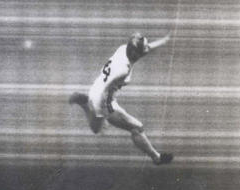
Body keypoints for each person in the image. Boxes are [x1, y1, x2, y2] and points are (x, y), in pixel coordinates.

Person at [67, 33, 174, 165]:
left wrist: (164, 40)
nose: (147, 49)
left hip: (96, 89)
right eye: (144, 48)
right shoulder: (123, 69)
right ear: (135, 53)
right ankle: (156, 158)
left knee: (97, 128)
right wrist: (102, 113)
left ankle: (84, 102)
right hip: (103, 100)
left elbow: (144, 49)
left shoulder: (124, 49)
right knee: (135, 127)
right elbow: (104, 90)